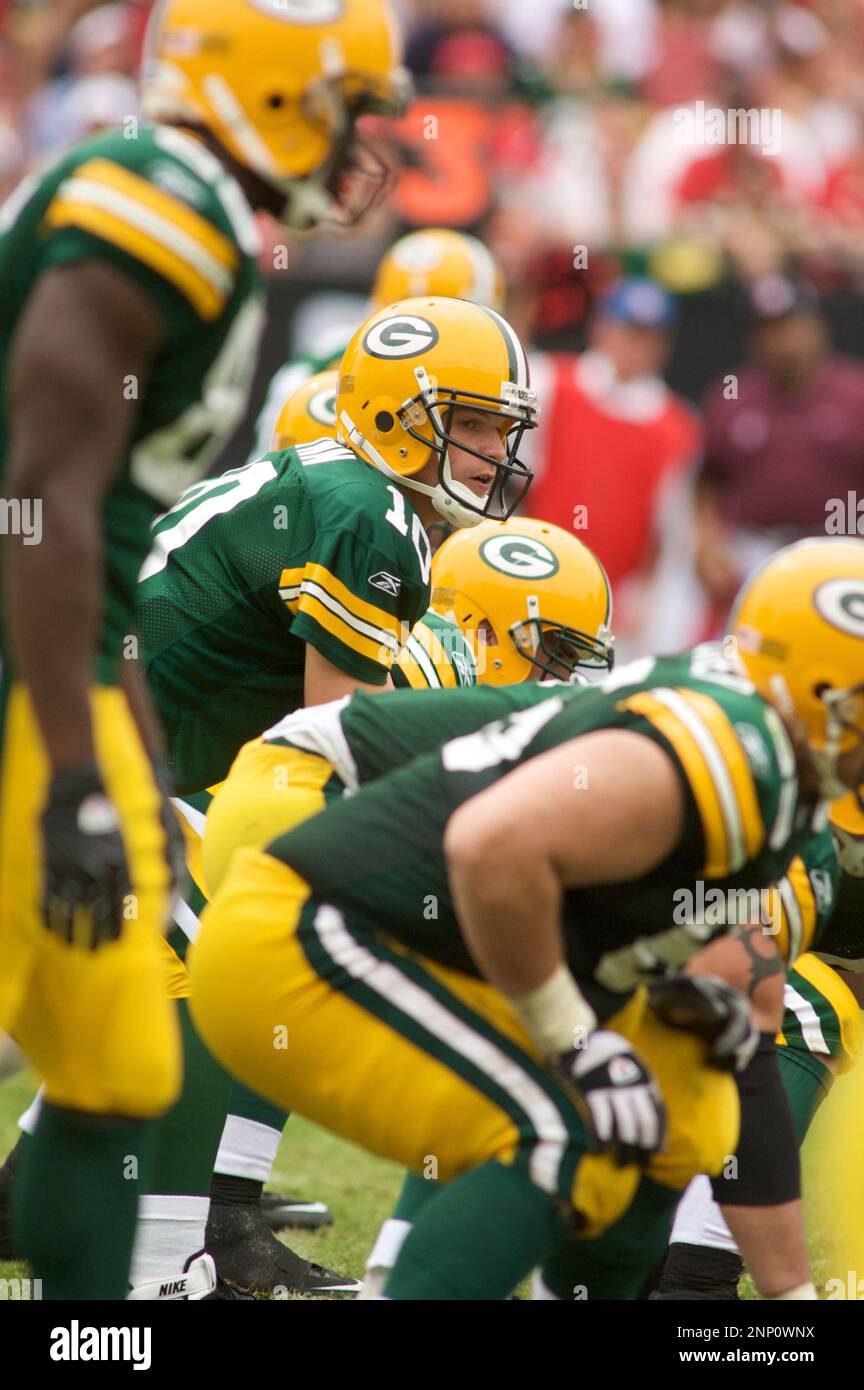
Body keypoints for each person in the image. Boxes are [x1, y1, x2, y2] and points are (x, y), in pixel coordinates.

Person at [0, 0, 408, 1301]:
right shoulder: (159, 197)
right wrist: (76, 760)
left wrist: (127, 748)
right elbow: (42, 492)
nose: (364, 141)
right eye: (350, 104)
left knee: (119, 1064)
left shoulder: (210, 215)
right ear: (282, 94)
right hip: (23, 668)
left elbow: (103, 529)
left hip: (62, 664)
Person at [190, 537, 864, 1299]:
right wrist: (568, 1039)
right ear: (821, 691)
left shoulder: (780, 794)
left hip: (382, 866)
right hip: (309, 858)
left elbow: (743, 1054)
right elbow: (495, 848)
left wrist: (791, 1301)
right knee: (570, 1119)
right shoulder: (742, 759)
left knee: (675, 1108)